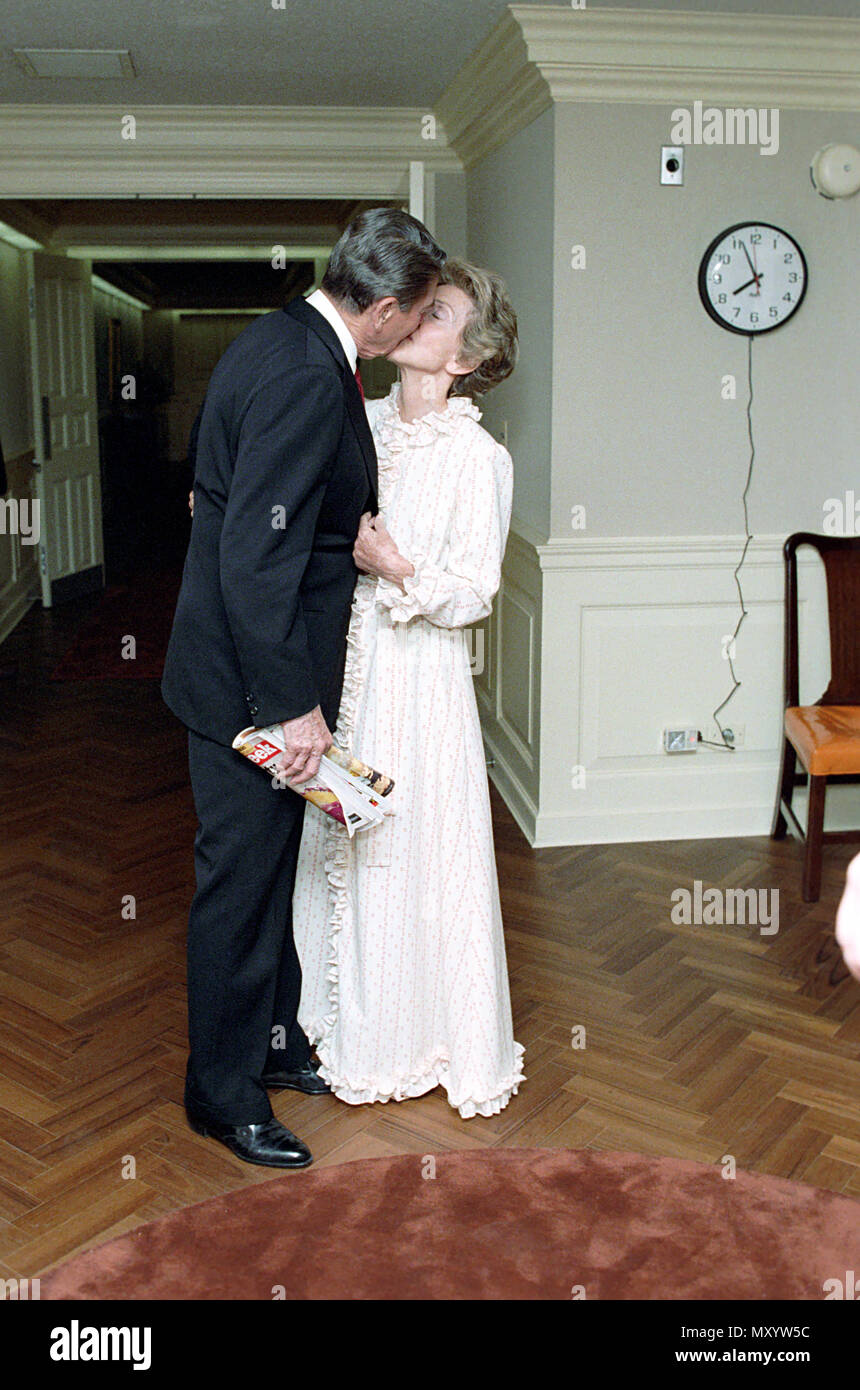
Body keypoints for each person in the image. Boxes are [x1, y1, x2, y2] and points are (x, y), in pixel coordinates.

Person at [161, 208, 446, 1169]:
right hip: (249, 690)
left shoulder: (274, 337)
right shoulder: (303, 374)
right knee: (237, 894)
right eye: (415, 320)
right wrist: (290, 706)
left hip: (238, 668)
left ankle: (275, 1046)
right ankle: (222, 1098)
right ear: (390, 309)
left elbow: (213, 492)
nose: (413, 334)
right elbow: (255, 557)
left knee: (271, 875)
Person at [292, 258, 525, 1118]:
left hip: (422, 680)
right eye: (419, 305)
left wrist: (396, 566)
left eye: (442, 312)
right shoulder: (358, 418)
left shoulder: (479, 457)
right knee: (336, 835)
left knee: (410, 848)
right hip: (343, 665)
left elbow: (473, 595)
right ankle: (329, 1022)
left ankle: (409, 1036)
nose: (420, 317)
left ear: (466, 356)